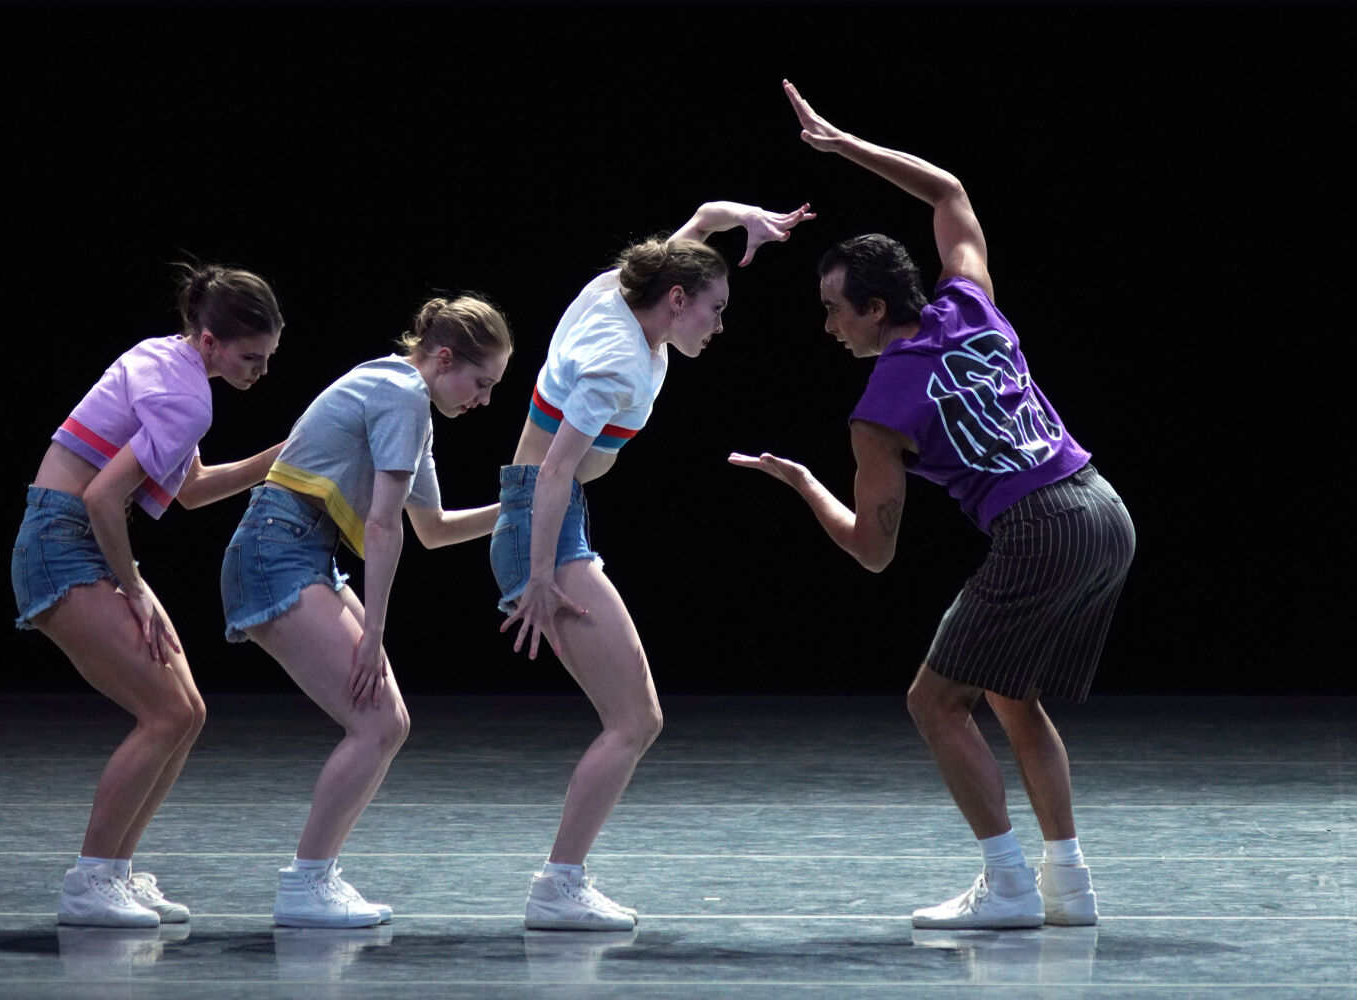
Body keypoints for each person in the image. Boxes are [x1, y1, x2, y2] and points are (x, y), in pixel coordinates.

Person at [730, 80, 1136, 930]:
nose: (829, 327)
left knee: (933, 701)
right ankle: (1070, 886)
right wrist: (844, 145)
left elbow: (872, 553)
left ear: (876, 308)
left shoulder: (879, 409)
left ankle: (1012, 888)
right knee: (1013, 695)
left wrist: (804, 484)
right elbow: (948, 192)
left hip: (1041, 527)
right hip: (1104, 510)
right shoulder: (971, 302)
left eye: (835, 311)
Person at [495, 199, 815, 931]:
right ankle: (557, 887)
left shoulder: (619, 290)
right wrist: (540, 576)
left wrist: (746, 224)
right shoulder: (615, 360)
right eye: (715, 308)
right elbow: (551, 474)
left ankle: (563, 882)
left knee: (636, 717)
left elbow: (700, 219)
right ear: (676, 301)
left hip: (550, 519)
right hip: (542, 524)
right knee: (635, 718)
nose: (719, 325)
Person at [222, 295, 513, 928]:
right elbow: (382, 528)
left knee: (390, 723)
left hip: (301, 550)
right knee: (377, 723)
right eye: (482, 382)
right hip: (278, 547)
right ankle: (304, 885)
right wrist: (375, 631)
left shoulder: (406, 397)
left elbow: (431, 529)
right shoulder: (401, 394)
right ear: (443, 357)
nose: (485, 399)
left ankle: (315, 879)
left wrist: (520, 508)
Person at [11, 263, 288, 927]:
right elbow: (103, 497)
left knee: (186, 713)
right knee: (165, 713)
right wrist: (132, 588)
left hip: (67, 535)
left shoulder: (167, 362)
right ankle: (90, 882)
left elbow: (189, 491)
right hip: (63, 539)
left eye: (270, 358)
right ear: (211, 341)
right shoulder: (187, 395)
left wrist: (285, 454)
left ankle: (117, 873)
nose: (261, 371)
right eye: (252, 358)